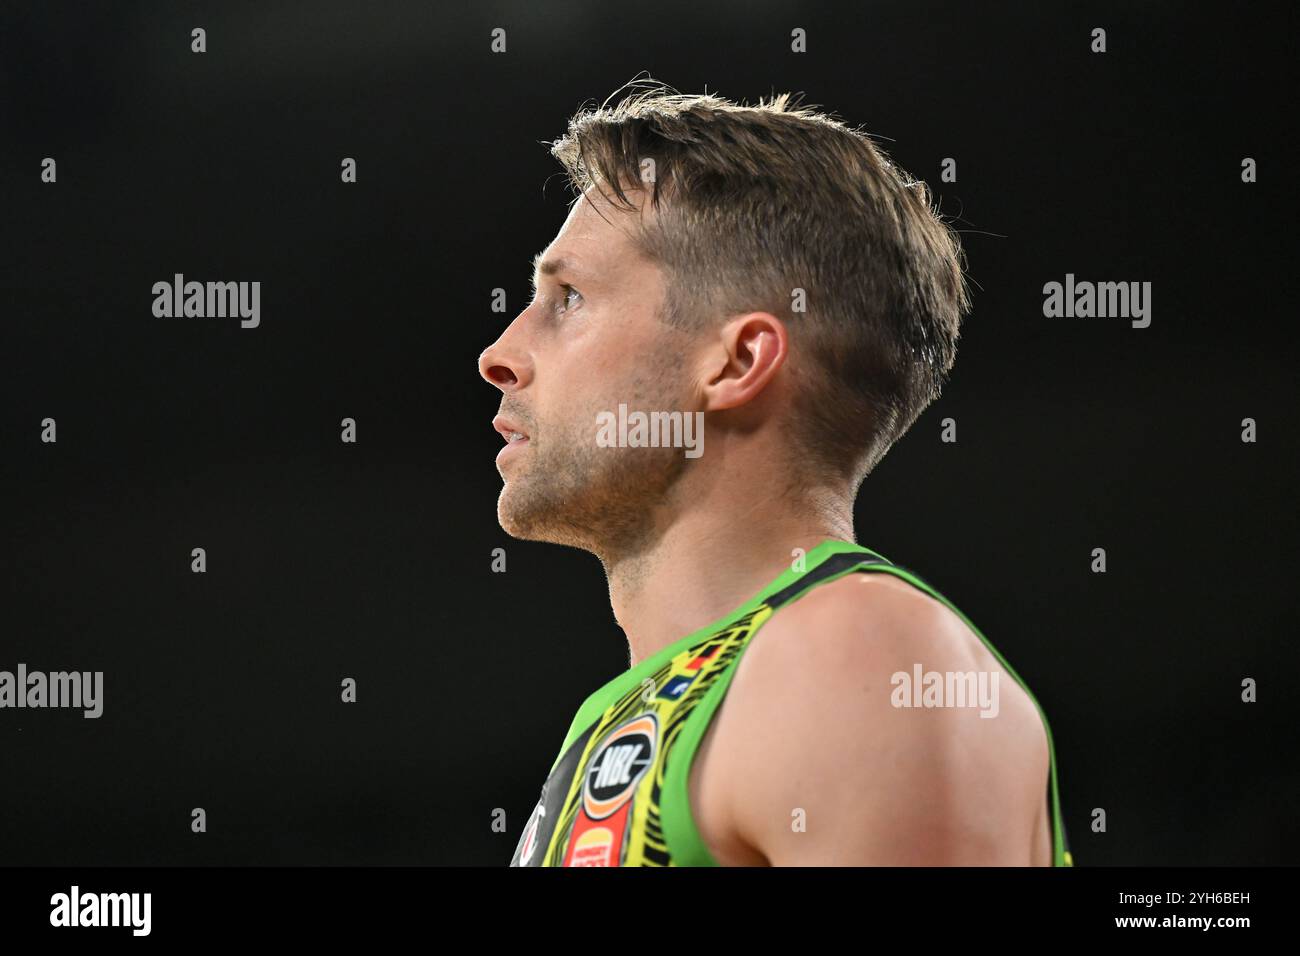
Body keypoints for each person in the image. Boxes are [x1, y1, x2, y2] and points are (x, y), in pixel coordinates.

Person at [479, 83, 1072, 867]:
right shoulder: (618, 714)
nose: (500, 355)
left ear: (739, 361)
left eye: (570, 297)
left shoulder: (861, 657)